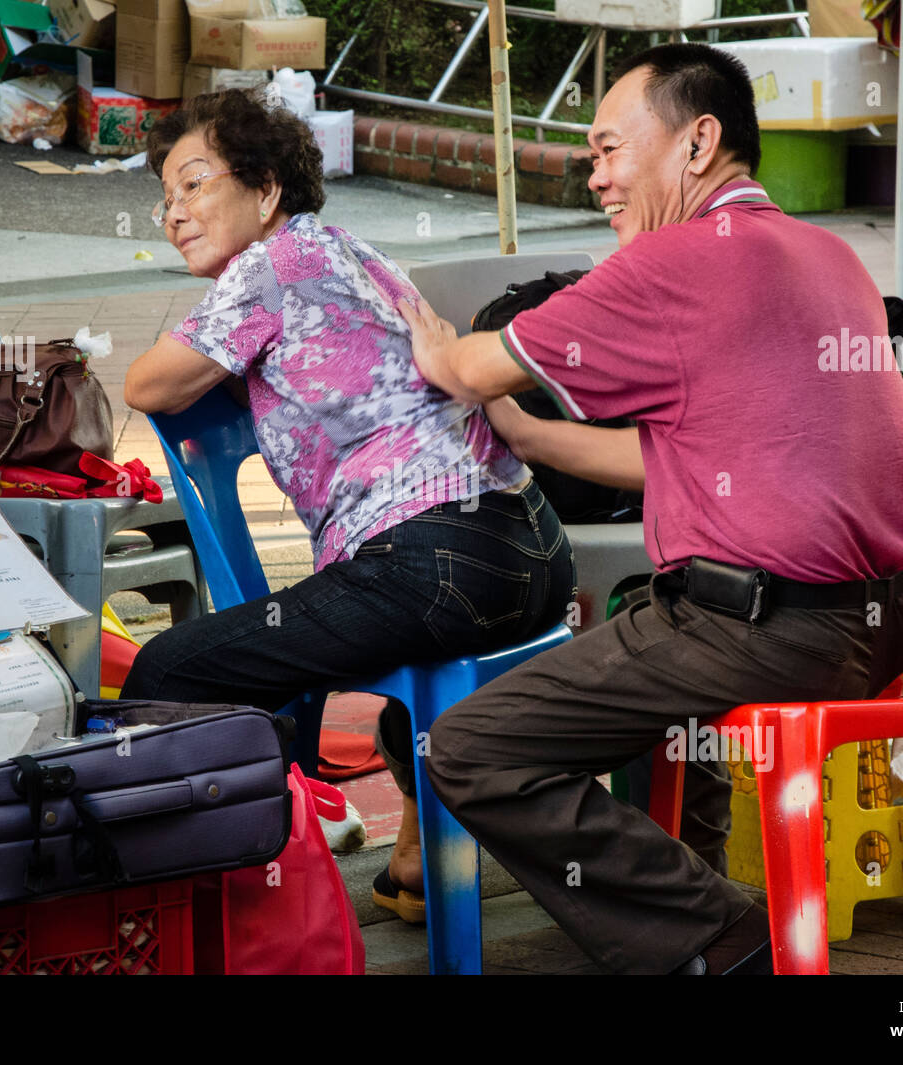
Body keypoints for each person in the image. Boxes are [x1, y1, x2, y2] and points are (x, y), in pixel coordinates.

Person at [400, 43, 903, 974]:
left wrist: (432, 343)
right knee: (648, 616)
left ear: (697, 143)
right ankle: (694, 898)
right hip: (888, 615)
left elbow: (466, 367)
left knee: (471, 745)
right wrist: (526, 439)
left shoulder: (675, 262)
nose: (596, 175)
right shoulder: (824, 250)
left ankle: (723, 932)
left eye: (610, 149)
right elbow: (701, 458)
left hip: (778, 629)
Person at [120, 89, 575, 921]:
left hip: (434, 559)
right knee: (407, 668)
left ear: (264, 190)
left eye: (193, 185)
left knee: (167, 668)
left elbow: (146, 383)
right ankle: (410, 861)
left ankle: (224, 902)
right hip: (533, 551)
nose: (172, 213)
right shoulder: (351, 251)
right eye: (165, 196)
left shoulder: (270, 266)